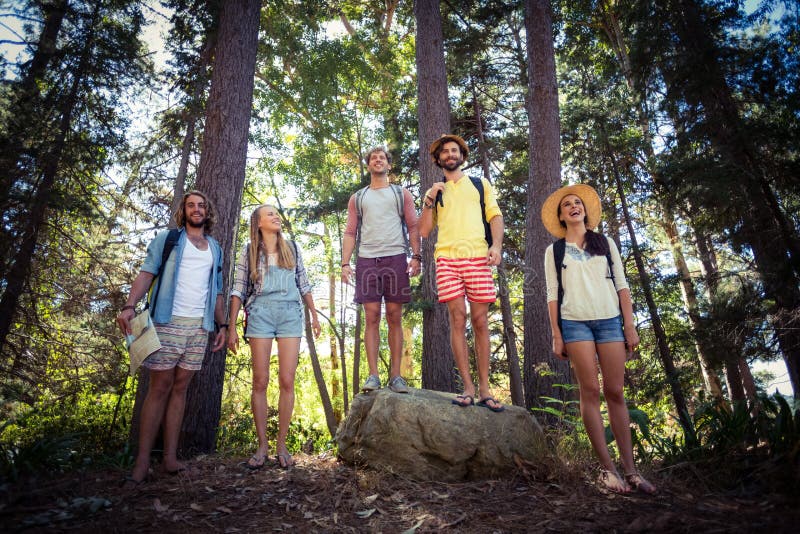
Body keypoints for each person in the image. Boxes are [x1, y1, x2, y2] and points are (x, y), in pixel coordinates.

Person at [541, 183, 656, 494]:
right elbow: (552, 295)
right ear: (561, 216)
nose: (574, 207)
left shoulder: (605, 243)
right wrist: (556, 334)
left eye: (578, 203)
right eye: (567, 205)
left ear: (585, 211)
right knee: (590, 390)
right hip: (574, 324)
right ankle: (608, 471)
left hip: (609, 322)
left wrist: (629, 326)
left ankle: (631, 471)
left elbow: (622, 286)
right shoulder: (555, 252)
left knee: (615, 391)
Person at [116, 190, 227, 486]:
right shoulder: (168, 240)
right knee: (160, 387)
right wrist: (129, 305)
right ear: (184, 211)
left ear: (207, 212)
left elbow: (216, 290)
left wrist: (223, 325)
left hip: (200, 327)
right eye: (191, 205)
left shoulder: (215, 247)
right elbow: (146, 273)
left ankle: (169, 458)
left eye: (201, 205)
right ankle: (141, 461)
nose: (196, 209)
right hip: (166, 322)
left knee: (181, 388)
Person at [228, 204, 321, 469]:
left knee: (286, 380)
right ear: (258, 222)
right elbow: (238, 288)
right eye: (270, 214)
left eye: (276, 214)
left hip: (291, 313)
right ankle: (262, 446)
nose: (276, 217)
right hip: (260, 314)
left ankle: (281, 444)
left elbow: (303, 282)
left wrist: (313, 316)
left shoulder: (292, 247)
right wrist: (232, 326)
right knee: (260, 380)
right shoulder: (249, 251)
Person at [419, 134, 505, 412]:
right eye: (444, 151)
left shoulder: (480, 184)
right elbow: (423, 230)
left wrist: (497, 246)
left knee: (480, 321)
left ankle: (484, 388)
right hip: (446, 259)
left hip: (478, 256)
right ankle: (467, 388)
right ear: (438, 159)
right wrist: (430, 198)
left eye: (454, 150)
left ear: (462, 155)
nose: (449, 154)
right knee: (457, 318)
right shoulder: (435, 192)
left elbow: (495, 216)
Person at [341, 146, 421, 394]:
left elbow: (414, 226)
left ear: (388, 165)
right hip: (367, 261)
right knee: (372, 316)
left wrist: (416, 256)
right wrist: (345, 263)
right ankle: (373, 375)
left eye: (382, 157)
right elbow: (350, 231)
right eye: (373, 158)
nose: (378, 160)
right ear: (368, 166)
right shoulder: (359, 197)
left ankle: (396, 376)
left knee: (395, 316)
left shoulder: (401, 194)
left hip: (396, 258)